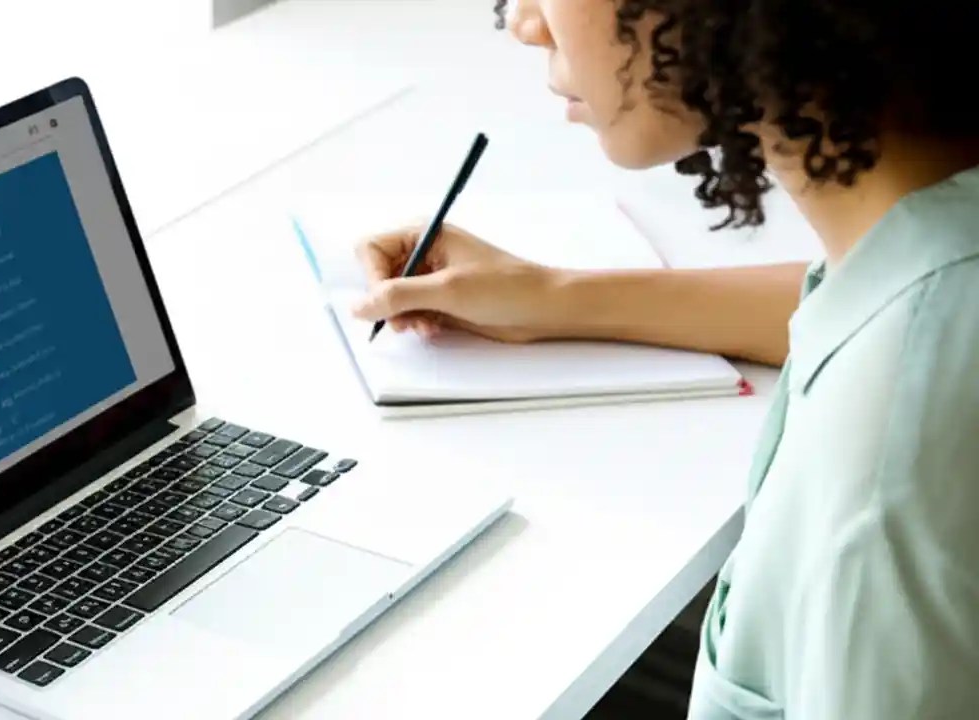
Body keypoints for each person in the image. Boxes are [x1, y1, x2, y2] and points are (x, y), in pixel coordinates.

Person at [352, 0, 979, 718]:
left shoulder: (887, 465)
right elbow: (876, 294)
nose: (524, 20)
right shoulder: (934, 242)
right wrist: (553, 297)